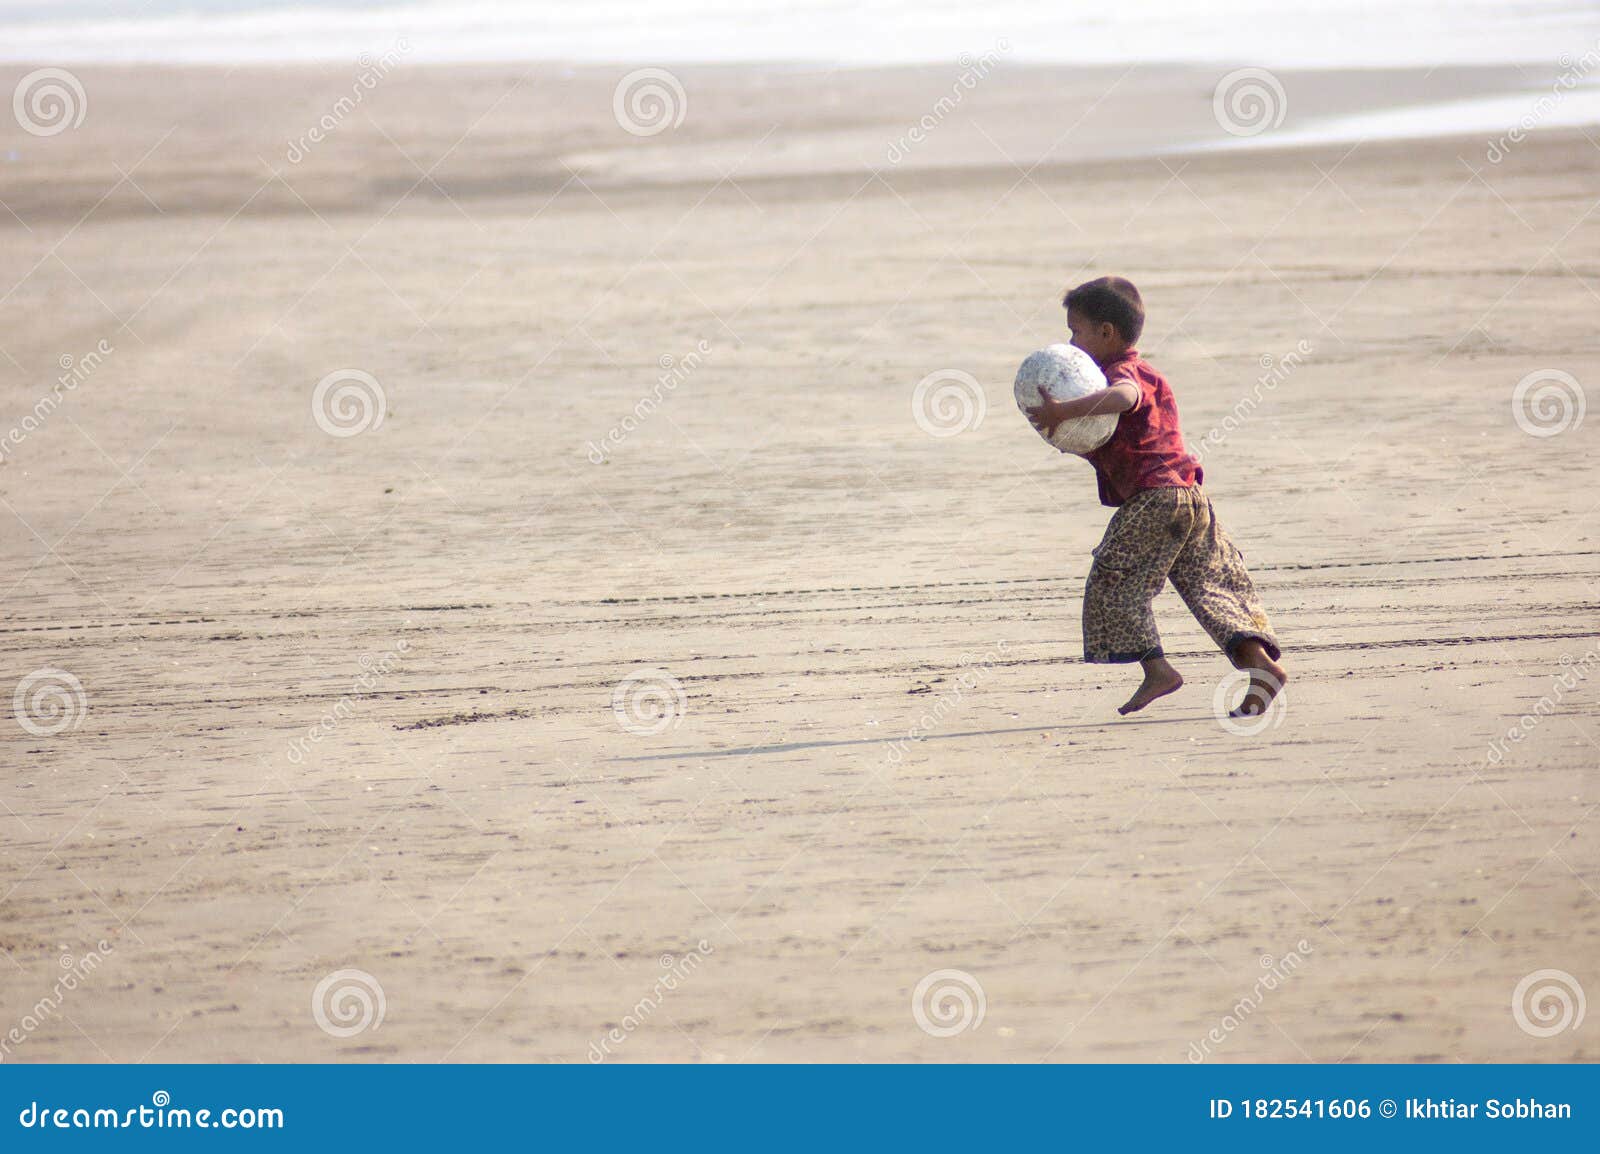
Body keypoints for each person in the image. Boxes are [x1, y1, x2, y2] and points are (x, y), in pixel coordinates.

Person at [1026, 276, 1285, 717]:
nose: (1071, 341)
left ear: (1106, 333)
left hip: (1156, 499)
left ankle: (1157, 669)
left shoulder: (1120, 376)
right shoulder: (1151, 374)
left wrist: (1063, 409)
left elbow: (1125, 398)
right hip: (1191, 498)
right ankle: (1262, 668)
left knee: (1114, 579)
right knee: (1210, 587)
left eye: (1076, 331)